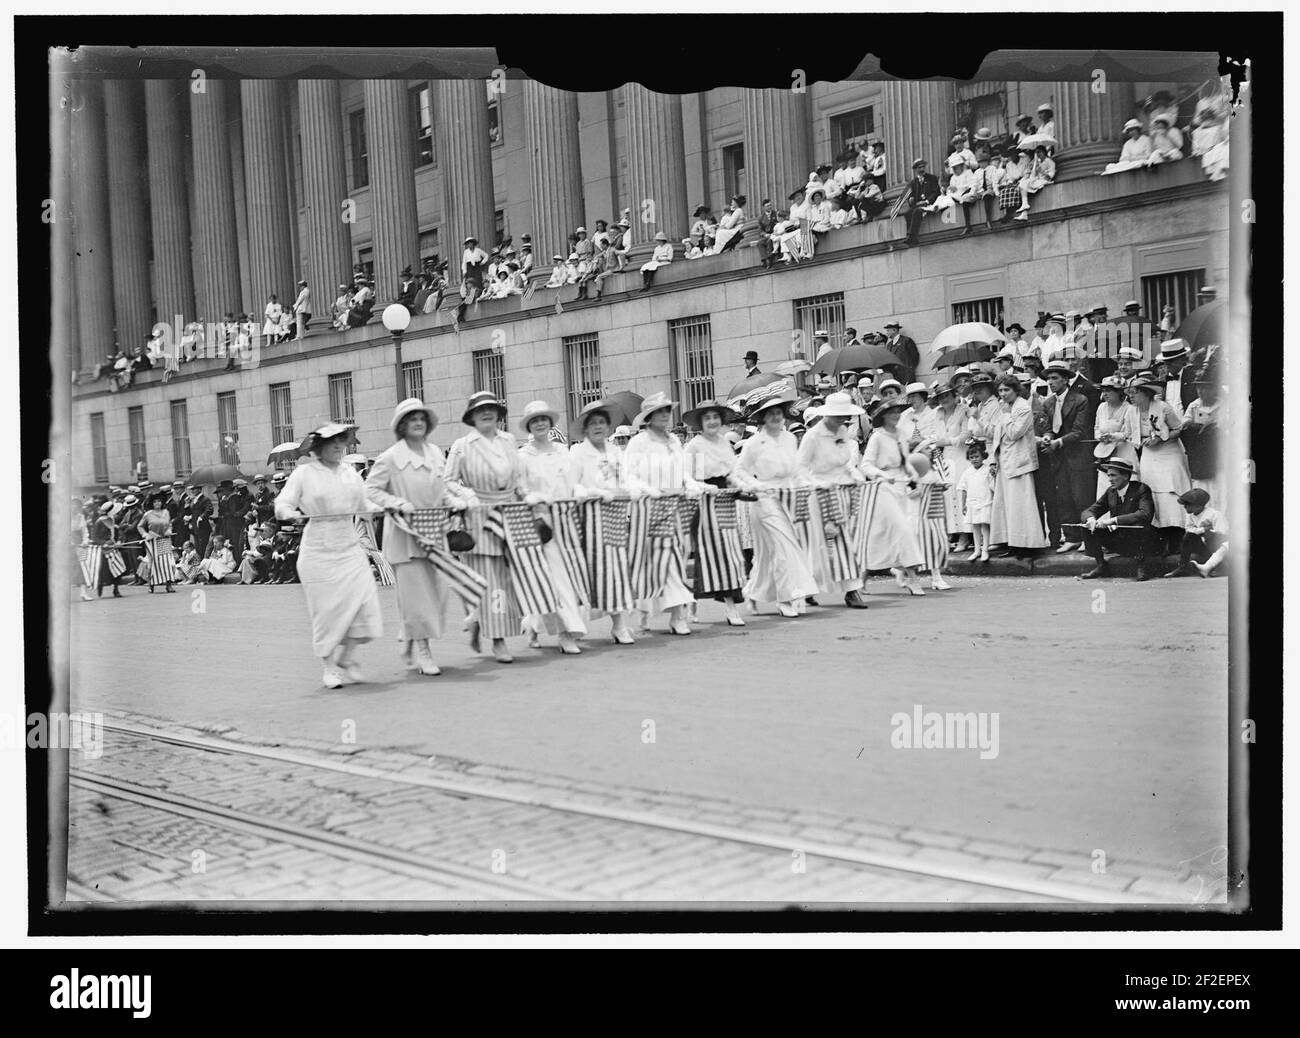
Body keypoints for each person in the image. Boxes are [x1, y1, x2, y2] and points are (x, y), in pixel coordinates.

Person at [275, 422, 384, 688]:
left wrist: (385, 507)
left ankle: (347, 657)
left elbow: (363, 504)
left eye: (341, 441)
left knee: (364, 602)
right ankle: (330, 666)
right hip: (318, 551)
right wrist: (288, 513)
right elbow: (283, 503)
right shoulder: (304, 473)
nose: (338, 446)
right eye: (332, 441)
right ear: (318, 446)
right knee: (327, 611)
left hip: (349, 547)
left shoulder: (351, 474)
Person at [365, 399, 469, 677]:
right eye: (412, 419)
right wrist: (396, 502)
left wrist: (455, 501)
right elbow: (372, 491)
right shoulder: (389, 458)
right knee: (416, 598)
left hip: (436, 533)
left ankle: (412, 634)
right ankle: (424, 651)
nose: (418, 423)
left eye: (421, 418)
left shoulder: (435, 452)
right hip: (405, 536)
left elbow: (442, 488)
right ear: (402, 425)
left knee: (437, 594)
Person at [442, 391, 527, 664]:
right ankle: (498, 640)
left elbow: (518, 478)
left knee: (507, 580)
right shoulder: (462, 445)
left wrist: (528, 498)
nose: (487, 413)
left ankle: (479, 619)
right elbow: (449, 481)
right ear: (472, 417)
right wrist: (467, 497)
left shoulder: (509, 440)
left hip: (509, 516)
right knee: (490, 583)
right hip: (479, 518)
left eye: (491, 408)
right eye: (481, 411)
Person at [623, 392, 707, 634]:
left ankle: (668, 613)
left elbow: (683, 471)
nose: (664, 415)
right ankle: (662, 613)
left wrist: (690, 484)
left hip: (674, 507)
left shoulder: (673, 441)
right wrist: (648, 489)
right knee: (656, 563)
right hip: (648, 509)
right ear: (648, 417)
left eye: (667, 411)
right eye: (659, 412)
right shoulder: (639, 442)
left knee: (674, 559)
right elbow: (628, 475)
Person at [735, 387, 820, 616]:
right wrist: (755, 486)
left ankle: (753, 592)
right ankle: (786, 598)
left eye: (779, 412)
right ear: (763, 417)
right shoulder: (754, 443)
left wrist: (807, 482)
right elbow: (739, 471)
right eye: (770, 413)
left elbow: (796, 469)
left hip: (789, 499)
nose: (776, 416)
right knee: (784, 548)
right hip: (764, 502)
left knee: (767, 554)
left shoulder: (791, 439)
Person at [514, 401, 589, 655]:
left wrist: (578, 490)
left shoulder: (562, 451)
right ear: (529, 426)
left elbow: (575, 479)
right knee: (558, 580)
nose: (540, 423)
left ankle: (532, 623)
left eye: (543, 419)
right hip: (541, 524)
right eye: (535, 420)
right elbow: (519, 486)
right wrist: (530, 497)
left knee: (566, 576)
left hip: (567, 520)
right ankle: (566, 633)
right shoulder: (523, 456)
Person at [568, 399, 638, 645]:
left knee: (616, 570)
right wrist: (595, 493)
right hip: (588, 520)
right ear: (585, 428)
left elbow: (626, 479)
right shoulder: (577, 453)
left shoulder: (615, 452)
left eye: (602, 422)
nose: (598, 427)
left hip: (616, 518)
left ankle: (619, 625)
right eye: (593, 423)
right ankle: (553, 625)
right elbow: (571, 486)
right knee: (585, 574)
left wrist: (633, 490)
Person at [797, 392, 871, 609]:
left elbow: (845, 461)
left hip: (842, 491)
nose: (842, 419)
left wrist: (855, 474)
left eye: (845, 415)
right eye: (838, 415)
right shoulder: (812, 436)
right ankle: (808, 586)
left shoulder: (842, 431)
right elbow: (800, 467)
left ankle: (851, 590)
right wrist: (815, 484)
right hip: (820, 493)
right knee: (819, 544)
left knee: (844, 541)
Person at [859, 399, 928, 594]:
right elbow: (866, 465)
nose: (896, 415)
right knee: (903, 530)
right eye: (892, 413)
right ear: (883, 416)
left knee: (879, 535)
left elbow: (905, 461)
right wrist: (882, 475)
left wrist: (913, 475)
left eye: (898, 412)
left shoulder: (901, 434)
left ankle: (861, 581)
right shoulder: (877, 437)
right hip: (882, 488)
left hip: (900, 487)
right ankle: (914, 580)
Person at [989, 373, 1049, 560]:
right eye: (1000, 390)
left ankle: (1027, 546)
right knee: (1007, 506)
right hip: (1005, 462)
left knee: (1021, 505)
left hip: (1019, 462)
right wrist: (993, 459)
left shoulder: (1023, 407)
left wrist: (1006, 416)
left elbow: (1015, 432)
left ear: (1016, 390)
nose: (1003, 394)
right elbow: (997, 435)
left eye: (1007, 390)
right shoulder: (1005, 406)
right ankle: (1013, 544)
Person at [1129, 376, 1192, 550]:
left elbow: (1178, 429)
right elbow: (1128, 433)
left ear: (1146, 393)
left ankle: (1178, 536)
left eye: (1135, 392)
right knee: (1153, 492)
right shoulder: (1130, 411)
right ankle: (1162, 538)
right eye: (1130, 392)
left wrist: (1161, 439)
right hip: (1149, 454)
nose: (1131, 396)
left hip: (1169, 451)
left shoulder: (1163, 407)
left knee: (1171, 492)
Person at [1079, 459, 1159, 581]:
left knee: (1139, 525)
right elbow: (1089, 511)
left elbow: (1145, 514)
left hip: (1142, 541)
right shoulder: (1111, 492)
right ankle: (1101, 565)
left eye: (1113, 475)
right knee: (1086, 526)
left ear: (1126, 476)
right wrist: (1091, 520)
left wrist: (1112, 520)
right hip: (1120, 540)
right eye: (1108, 475)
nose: (1110, 479)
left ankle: (1142, 566)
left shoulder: (1141, 489)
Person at [1092, 375, 1142, 497]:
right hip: (1106, 452)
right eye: (1103, 391)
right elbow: (1097, 428)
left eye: (1108, 391)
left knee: (1125, 487)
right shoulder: (1101, 407)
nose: (1105, 394)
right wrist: (1100, 437)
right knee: (1106, 486)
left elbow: (1129, 433)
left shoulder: (1130, 408)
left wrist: (1113, 436)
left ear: (1119, 392)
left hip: (1124, 451)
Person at [908, 453, 952, 590]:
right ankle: (936, 578)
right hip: (920, 515)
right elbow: (909, 493)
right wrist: (920, 489)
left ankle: (900, 570)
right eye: (926, 448)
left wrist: (943, 486)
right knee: (929, 546)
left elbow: (940, 486)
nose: (931, 450)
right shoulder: (912, 471)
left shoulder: (934, 468)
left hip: (936, 512)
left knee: (939, 544)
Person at [957, 439, 995, 562]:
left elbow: (993, 487)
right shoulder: (967, 472)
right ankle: (977, 550)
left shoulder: (987, 470)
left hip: (985, 502)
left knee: (985, 526)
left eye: (977, 456)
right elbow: (963, 488)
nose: (974, 459)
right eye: (971, 457)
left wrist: (994, 475)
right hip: (972, 503)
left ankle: (985, 550)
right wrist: (964, 505)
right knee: (975, 527)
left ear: (983, 456)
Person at [136, 491, 178, 593]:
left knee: (167, 562)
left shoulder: (166, 512)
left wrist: (169, 531)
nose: (157, 503)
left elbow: (169, 524)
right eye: (155, 502)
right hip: (152, 540)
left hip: (165, 539)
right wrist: (145, 535)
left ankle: (169, 585)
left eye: (159, 501)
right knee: (153, 563)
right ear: (152, 503)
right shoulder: (147, 514)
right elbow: (140, 526)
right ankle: (151, 585)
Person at [901, 158, 941, 246]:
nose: (922, 169)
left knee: (917, 211)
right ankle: (911, 237)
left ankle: (911, 236)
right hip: (918, 204)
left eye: (923, 167)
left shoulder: (932, 178)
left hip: (930, 203)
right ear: (915, 170)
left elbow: (936, 192)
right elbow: (911, 195)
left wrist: (927, 201)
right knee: (907, 213)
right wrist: (911, 199)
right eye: (919, 168)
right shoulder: (913, 182)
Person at [1013, 145, 1055, 221]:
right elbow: (1032, 175)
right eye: (1036, 152)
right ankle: (1024, 209)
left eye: (1039, 152)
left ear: (1044, 152)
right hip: (1037, 180)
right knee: (1023, 184)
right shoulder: (1037, 162)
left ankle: (1025, 209)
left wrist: (1042, 172)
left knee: (1026, 185)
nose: (1038, 154)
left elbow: (1050, 175)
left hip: (1045, 180)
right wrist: (1035, 163)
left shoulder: (1049, 161)